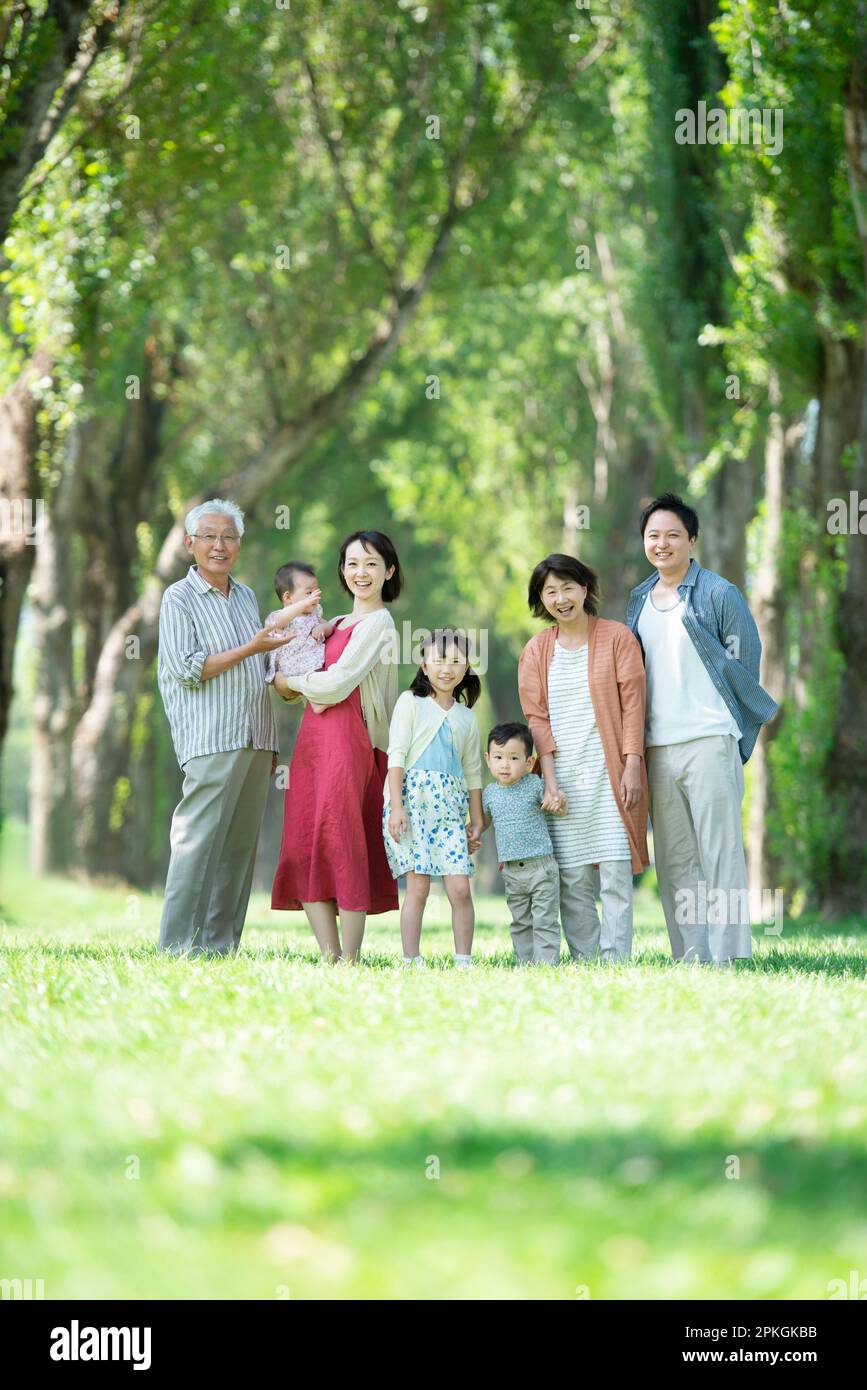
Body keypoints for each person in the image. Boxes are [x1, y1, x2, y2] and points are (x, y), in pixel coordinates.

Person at [626, 492, 779, 965]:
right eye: (654, 536)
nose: (663, 544)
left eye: (673, 535)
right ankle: (692, 957)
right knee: (675, 864)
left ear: (692, 540)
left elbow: (746, 660)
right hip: (658, 747)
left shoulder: (718, 593)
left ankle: (731, 957)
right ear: (645, 543)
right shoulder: (638, 601)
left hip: (710, 741)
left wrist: (733, 729)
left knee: (722, 856)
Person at [157, 498, 301, 956]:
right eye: (209, 537)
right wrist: (251, 646)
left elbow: (259, 664)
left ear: (239, 544)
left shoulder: (244, 595)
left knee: (239, 853)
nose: (219, 546)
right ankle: (178, 948)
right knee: (196, 845)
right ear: (190, 544)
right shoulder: (178, 598)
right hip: (210, 739)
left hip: (256, 738)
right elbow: (187, 668)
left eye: (229, 537)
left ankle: (220, 950)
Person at [270, 530, 402, 963]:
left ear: (389, 571)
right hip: (312, 739)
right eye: (351, 563)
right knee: (304, 842)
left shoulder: (379, 624)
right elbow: (294, 662)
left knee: (341, 838)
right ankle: (329, 957)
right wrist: (288, 681)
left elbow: (337, 683)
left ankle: (351, 957)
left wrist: (287, 683)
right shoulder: (336, 624)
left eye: (370, 563)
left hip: (349, 739)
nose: (360, 572)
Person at [518, 553, 649, 964]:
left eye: (568, 587)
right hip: (565, 780)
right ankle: (588, 960)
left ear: (585, 589)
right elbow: (536, 720)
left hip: (610, 775)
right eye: (550, 591)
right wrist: (550, 782)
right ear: (542, 600)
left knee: (614, 873)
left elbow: (633, 706)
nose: (561, 598)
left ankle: (616, 961)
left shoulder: (617, 638)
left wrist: (632, 764)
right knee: (572, 878)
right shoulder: (538, 650)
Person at [384, 629, 484, 969]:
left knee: (459, 887)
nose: (447, 668)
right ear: (424, 665)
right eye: (440, 660)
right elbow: (395, 756)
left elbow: (473, 771)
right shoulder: (410, 703)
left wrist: (477, 817)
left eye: (457, 661)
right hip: (412, 808)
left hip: (449, 814)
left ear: (467, 667)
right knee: (419, 888)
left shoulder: (466, 717)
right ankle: (411, 959)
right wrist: (397, 807)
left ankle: (464, 960)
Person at [481, 722, 563, 965]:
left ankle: (546, 965)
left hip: (541, 867)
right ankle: (526, 964)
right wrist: (472, 833)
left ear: (529, 762)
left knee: (545, 921)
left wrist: (559, 801)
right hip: (511, 872)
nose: (505, 764)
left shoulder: (535, 785)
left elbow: (556, 803)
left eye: (514, 758)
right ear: (488, 759)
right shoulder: (490, 794)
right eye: (499, 757)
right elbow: (483, 822)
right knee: (520, 922)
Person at [262, 560, 338, 712]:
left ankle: (316, 702)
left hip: (312, 661)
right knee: (308, 681)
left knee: (321, 677)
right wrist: (302, 606)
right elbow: (279, 622)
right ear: (288, 597)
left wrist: (321, 627)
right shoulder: (281, 616)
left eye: (317, 592)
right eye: (309, 593)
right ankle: (315, 700)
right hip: (290, 666)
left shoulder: (314, 613)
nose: (315, 598)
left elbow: (330, 626)